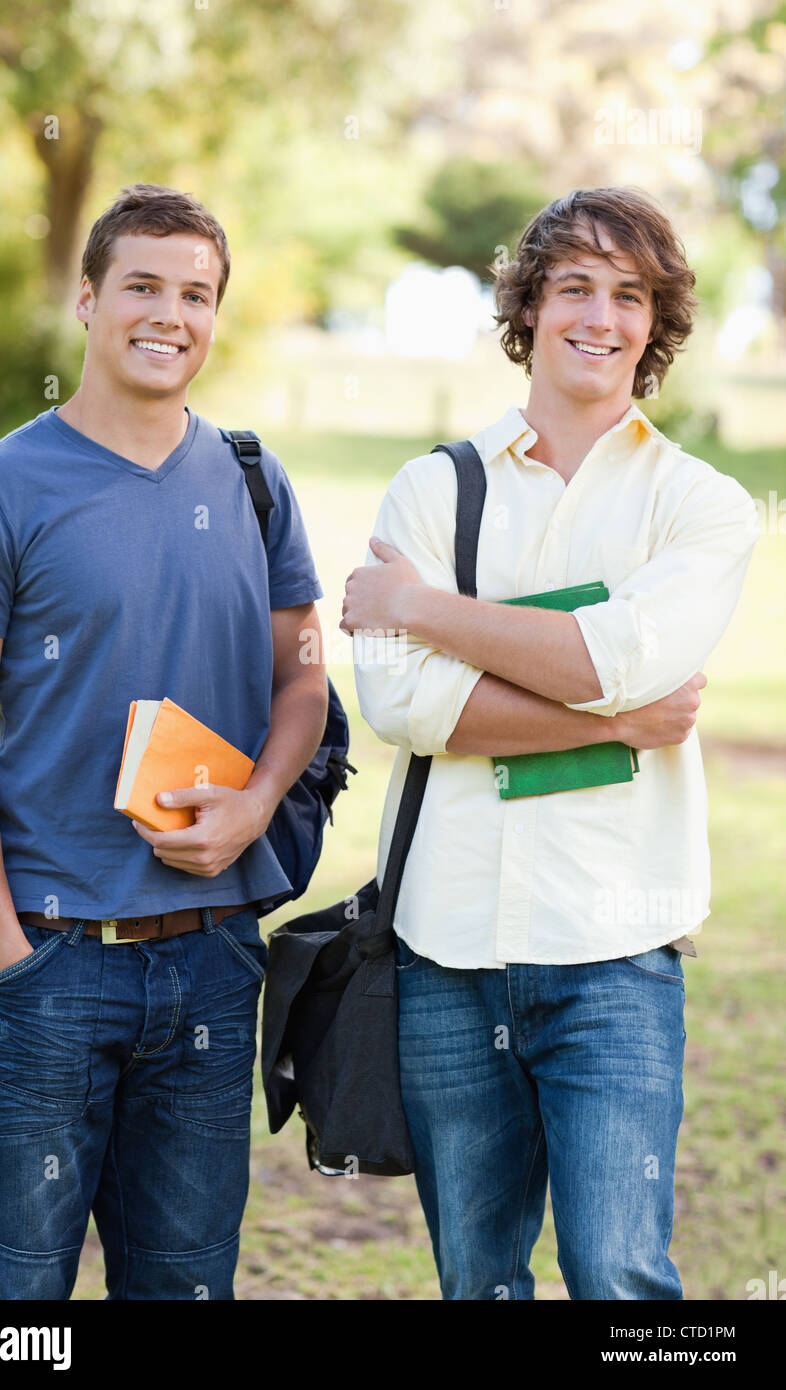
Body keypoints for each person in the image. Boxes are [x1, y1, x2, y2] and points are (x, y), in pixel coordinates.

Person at [342, 187, 760, 1300]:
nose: (600, 317)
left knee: (617, 1272)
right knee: (476, 1278)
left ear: (655, 324)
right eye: (574, 286)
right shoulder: (433, 488)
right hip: (447, 945)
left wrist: (423, 608)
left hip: (615, 950)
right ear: (528, 307)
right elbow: (401, 704)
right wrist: (617, 718)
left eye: (629, 295)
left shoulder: (701, 504)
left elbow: (618, 660)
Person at [0, 183, 327, 1300]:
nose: (170, 315)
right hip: (49, 961)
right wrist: (3, 949)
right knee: (18, 1300)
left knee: (186, 1282)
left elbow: (303, 679)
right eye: (143, 285)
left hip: (213, 959)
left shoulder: (253, 481)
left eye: (196, 294)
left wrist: (256, 803)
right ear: (88, 298)